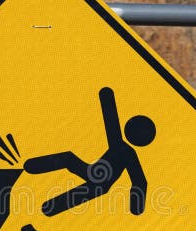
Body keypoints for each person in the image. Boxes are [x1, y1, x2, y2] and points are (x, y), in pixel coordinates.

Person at [24, 87, 156, 216]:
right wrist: (106, 97)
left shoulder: (128, 153)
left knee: (68, 194)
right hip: (95, 173)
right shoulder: (119, 144)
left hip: (101, 183)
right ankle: (31, 167)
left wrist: (136, 207)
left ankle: (45, 208)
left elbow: (139, 181)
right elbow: (111, 121)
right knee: (69, 159)